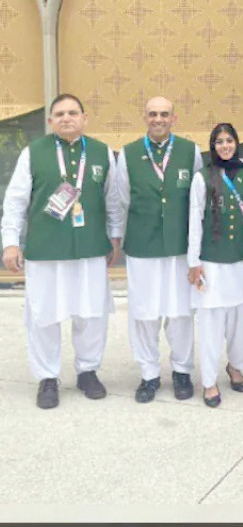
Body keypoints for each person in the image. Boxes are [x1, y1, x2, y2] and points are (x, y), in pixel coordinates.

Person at [1, 93, 122, 409]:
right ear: (51, 120)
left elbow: (113, 200)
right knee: (44, 316)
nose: (66, 118)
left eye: (73, 112)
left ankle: (88, 371)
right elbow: (15, 201)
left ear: (85, 118)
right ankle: (47, 378)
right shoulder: (34, 152)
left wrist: (115, 236)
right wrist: (11, 242)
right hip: (46, 250)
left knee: (91, 314)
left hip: (90, 249)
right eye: (60, 113)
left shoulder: (101, 153)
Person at [116, 96, 203, 403]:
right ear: (145, 117)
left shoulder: (190, 151)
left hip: (180, 246)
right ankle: (149, 374)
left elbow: (197, 198)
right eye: (153, 114)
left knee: (181, 312)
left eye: (164, 114)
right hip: (143, 245)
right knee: (144, 313)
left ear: (174, 118)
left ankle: (181, 372)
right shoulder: (127, 154)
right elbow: (122, 199)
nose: (158, 119)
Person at [187, 123, 243, 408]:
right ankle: (209, 380)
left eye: (230, 141)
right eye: (219, 142)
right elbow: (195, 221)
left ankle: (236, 366)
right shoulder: (203, 177)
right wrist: (194, 262)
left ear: (237, 143)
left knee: (240, 319)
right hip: (211, 260)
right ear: (212, 146)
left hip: (241, 258)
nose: (225, 146)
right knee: (211, 322)